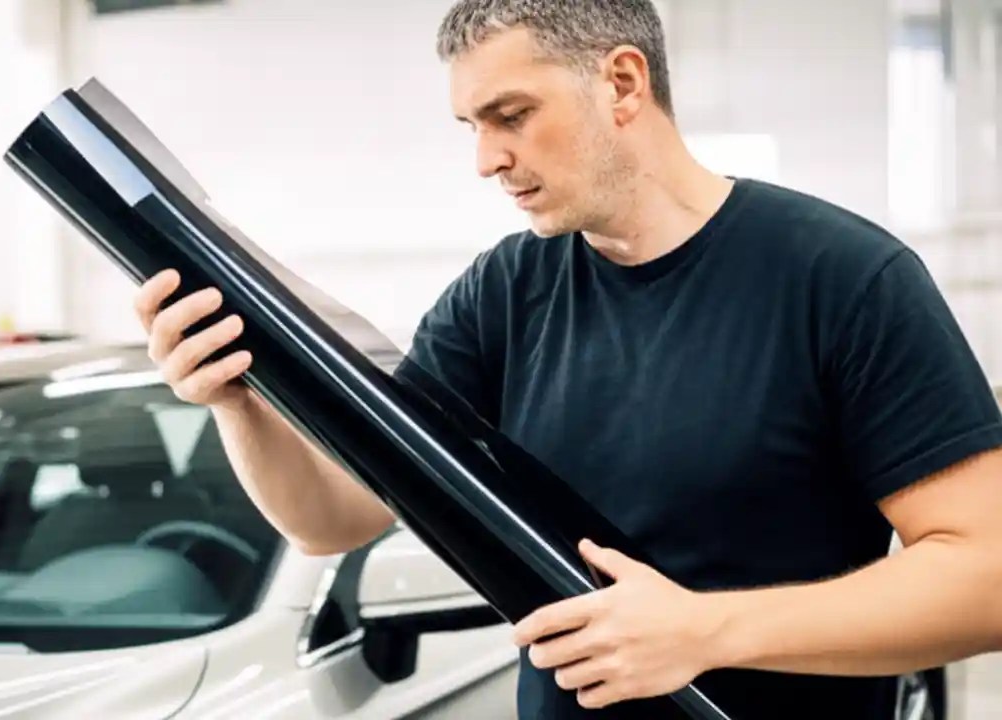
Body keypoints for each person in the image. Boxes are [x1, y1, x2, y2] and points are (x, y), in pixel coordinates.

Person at [132, 1, 1002, 718]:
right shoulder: (506, 292)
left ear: (622, 82)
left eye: (512, 116)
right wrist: (236, 402)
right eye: (472, 126)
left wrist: (707, 630)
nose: (486, 160)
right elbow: (339, 516)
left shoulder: (841, 278)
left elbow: (984, 577)